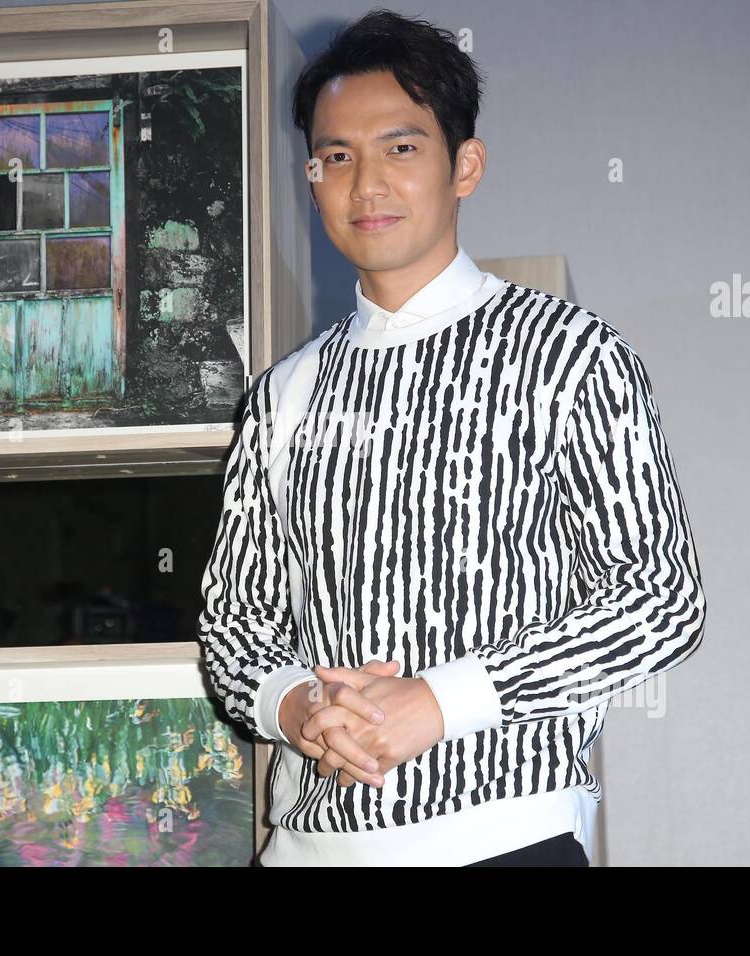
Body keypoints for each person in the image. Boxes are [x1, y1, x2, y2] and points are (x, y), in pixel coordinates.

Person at [197, 8, 707, 866]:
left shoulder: (569, 355)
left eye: (401, 149)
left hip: (503, 839)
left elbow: (659, 600)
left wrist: (441, 700)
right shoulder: (282, 394)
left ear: (463, 165)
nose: (365, 186)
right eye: (335, 157)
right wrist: (295, 707)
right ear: (311, 175)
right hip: (303, 848)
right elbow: (233, 624)